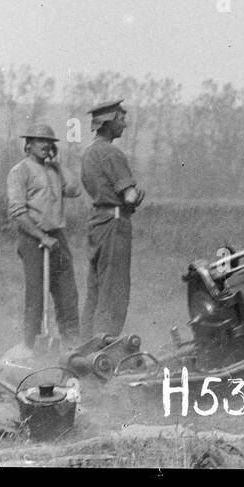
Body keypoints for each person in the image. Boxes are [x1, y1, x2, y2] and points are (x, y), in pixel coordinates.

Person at [6, 123, 82, 352]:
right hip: (32, 238)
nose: (46, 145)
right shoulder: (20, 171)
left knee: (68, 295)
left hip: (57, 236)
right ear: (28, 145)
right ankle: (31, 348)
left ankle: (71, 348)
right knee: (36, 298)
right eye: (40, 141)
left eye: (49, 142)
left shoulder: (54, 171)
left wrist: (57, 164)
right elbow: (17, 212)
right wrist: (40, 236)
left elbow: (75, 189)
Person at [79, 99, 144, 338]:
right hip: (115, 225)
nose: (124, 125)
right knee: (114, 289)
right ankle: (106, 347)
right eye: (120, 119)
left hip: (97, 223)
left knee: (95, 289)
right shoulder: (112, 153)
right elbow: (129, 195)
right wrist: (137, 196)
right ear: (108, 122)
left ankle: (86, 343)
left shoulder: (88, 154)